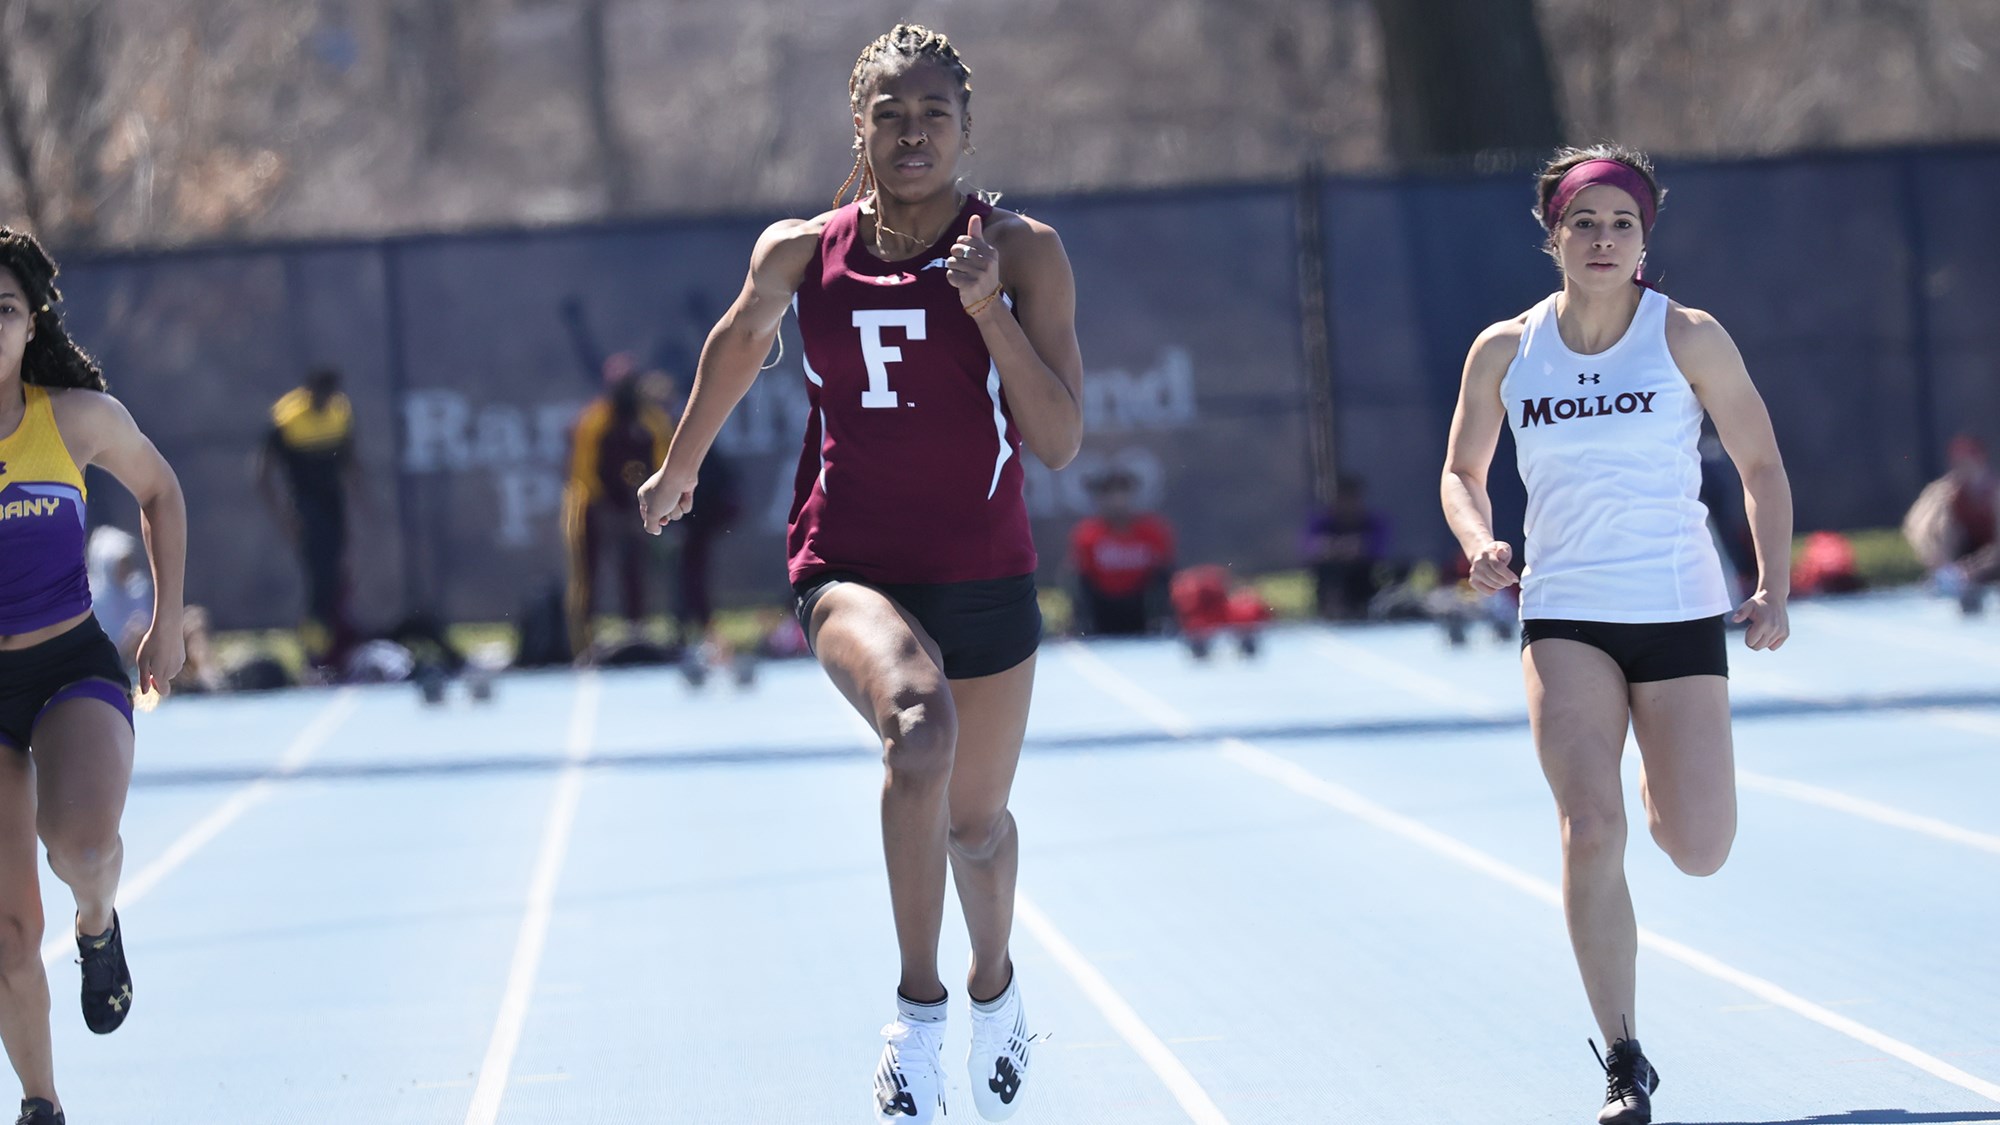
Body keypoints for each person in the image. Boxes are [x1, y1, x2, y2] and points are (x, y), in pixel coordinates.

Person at [637, 24, 1082, 1123]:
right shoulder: (802, 251)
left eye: (933, 113)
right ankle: (916, 1021)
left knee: (976, 829)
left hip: (985, 570)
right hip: (848, 565)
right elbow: (736, 344)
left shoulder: (1022, 252)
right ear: (860, 126)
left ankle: (994, 989)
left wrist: (986, 312)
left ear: (966, 129)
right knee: (915, 725)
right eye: (890, 114)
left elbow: (1060, 438)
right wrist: (676, 468)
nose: (912, 132)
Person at [1439, 146, 1792, 1125]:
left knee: (1696, 846)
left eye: (1620, 223)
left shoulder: (1686, 338)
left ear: (1645, 238)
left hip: (1676, 610)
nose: (1601, 241)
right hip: (1562, 615)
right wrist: (1476, 540)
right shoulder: (1505, 350)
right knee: (1588, 828)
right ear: (1551, 234)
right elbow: (1460, 471)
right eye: (1582, 222)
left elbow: (1759, 463)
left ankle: (1658, 762)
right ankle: (1623, 1058)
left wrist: (1772, 584)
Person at [0, 227, 187, 1125]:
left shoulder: (71, 417)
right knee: (5, 932)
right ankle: (42, 1104)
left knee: (78, 848)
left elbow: (161, 490)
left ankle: (98, 922)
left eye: (0, 310)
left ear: (29, 319)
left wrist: (165, 619)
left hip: (70, 664)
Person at [563, 353, 673, 658]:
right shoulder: (594, 420)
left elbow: (665, 461)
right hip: (592, 507)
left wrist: (654, 500)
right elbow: (582, 470)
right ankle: (582, 642)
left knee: (634, 568)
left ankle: (637, 633)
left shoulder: (651, 420)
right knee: (588, 573)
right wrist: (605, 506)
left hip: (635, 508)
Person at [254, 366, 363, 669]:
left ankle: (333, 652)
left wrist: (361, 502)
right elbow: (262, 473)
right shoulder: (287, 418)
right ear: (309, 392)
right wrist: (284, 516)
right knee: (319, 582)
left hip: (333, 506)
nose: (326, 400)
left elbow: (351, 460)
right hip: (305, 509)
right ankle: (314, 658)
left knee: (337, 578)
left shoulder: (340, 413)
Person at [1067, 467, 1174, 636]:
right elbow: (1082, 581)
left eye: (1123, 493)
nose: (1117, 501)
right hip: (1102, 613)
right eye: (1109, 494)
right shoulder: (1088, 535)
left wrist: (1162, 615)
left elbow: (1164, 576)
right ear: (1100, 499)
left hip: (1143, 612)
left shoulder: (1152, 532)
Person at [1903, 433, 1999, 614]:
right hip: (1962, 562)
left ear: (1979, 460)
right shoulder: (1944, 493)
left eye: (1966, 462)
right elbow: (1920, 529)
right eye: (1958, 462)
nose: (1962, 468)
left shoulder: (1995, 493)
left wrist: (1975, 569)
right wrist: (1946, 567)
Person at [1304, 474, 1389, 620]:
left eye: (1352, 498)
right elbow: (1308, 547)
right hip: (1330, 580)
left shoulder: (1372, 522)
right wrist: (1333, 548)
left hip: (1365, 580)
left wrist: (1360, 547)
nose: (1347, 504)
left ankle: (1364, 608)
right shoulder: (1322, 523)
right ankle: (1330, 609)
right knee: (1329, 570)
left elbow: (1381, 546)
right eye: (1342, 499)